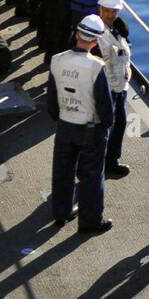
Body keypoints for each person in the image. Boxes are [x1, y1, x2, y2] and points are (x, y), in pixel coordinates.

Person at [46, 14, 115, 235]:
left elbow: (51, 98)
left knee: (62, 170)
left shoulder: (56, 60)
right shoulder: (96, 67)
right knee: (92, 175)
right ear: (95, 41)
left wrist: (59, 116)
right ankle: (90, 221)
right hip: (90, 129)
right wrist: (107, 125)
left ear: (77, 34)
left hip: (65, 125)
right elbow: (105, 105)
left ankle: (61, 212)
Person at [95, 0, 132, 178]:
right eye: (107, 10)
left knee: (120, 124)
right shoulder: (95, 32)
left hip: (120, 86)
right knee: (103, 128)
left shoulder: (119, 29)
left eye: (114, 11)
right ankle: (96, 166)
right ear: (100, 8)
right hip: (106, 89)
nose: (110, 14)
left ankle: (111, 161)